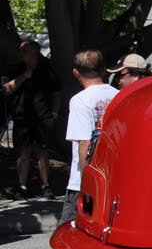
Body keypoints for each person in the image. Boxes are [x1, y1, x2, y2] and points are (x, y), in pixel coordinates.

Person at [62, 49, 118, 224]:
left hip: (86, 181)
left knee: (67, 235)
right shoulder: (119, 96)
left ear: (75, 72)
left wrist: (87, 185)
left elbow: (85, 142)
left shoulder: (80, 100)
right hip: (113, 177)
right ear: (103, 70)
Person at [1, 40, 61, 199]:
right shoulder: (15, 69)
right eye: (22, 52)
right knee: (23, 153)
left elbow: (57, 94)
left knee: (42, 152)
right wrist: (23, 76)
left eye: (26, 51)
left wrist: (53, 114)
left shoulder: (46, 70)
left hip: (42, 118)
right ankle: (22, 186)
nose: (23, 55)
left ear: (35, 53)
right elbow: (6, 90)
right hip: (22, 118)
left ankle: (46, 185)